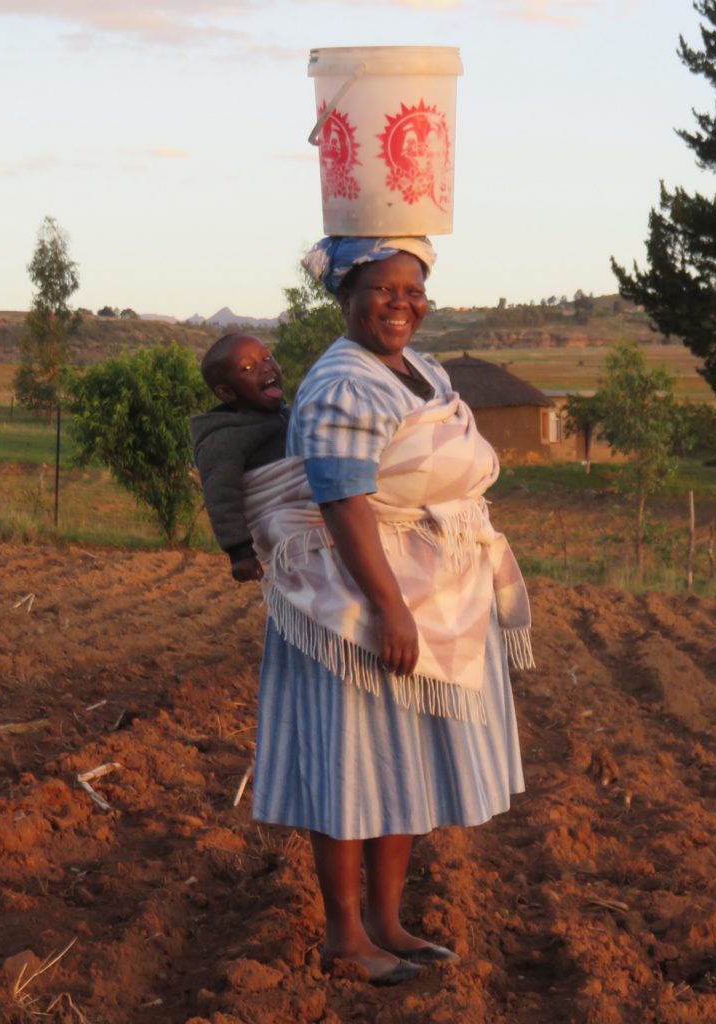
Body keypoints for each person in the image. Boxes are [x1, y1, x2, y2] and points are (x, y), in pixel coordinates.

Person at [243, 236, 530, 986]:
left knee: (398, 761)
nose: (402, 304)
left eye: (414, 290)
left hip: (419, 593)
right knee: (346, 765)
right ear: (346, 294)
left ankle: (387, 923)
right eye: (383, 289)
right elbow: (343, 500)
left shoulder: (422, 370)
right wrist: (390, 607)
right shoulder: (342, 381)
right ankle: (345, 937)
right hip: (352, 603)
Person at [191, 333, 289, 582]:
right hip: (286, 538)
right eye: (248, 368)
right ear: (227, 392)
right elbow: (221, 497)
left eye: (267, 357)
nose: (266, 368)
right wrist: (239, 552)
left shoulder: (292, 415)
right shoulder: (223, 439)